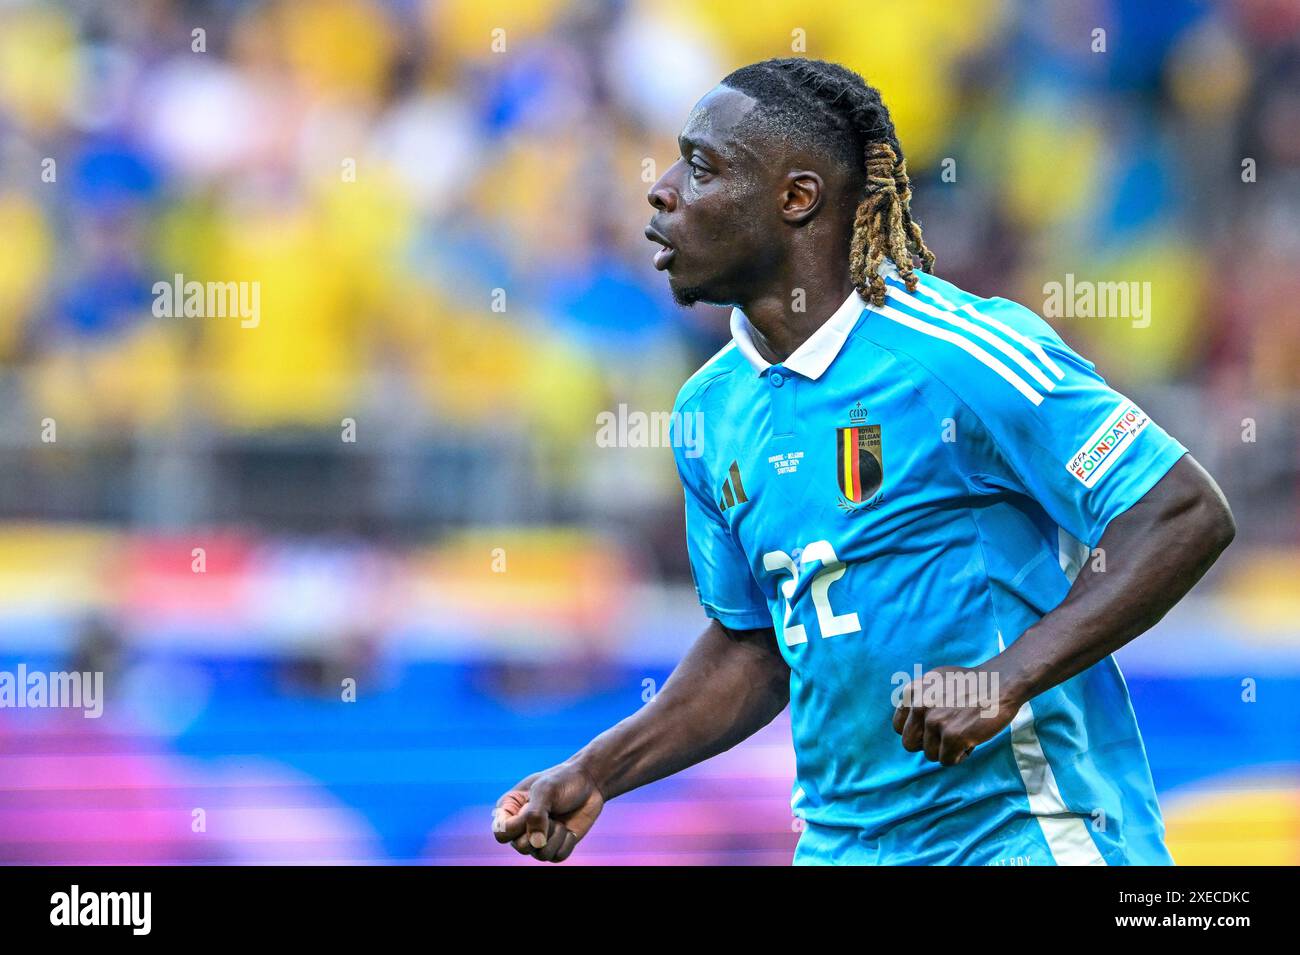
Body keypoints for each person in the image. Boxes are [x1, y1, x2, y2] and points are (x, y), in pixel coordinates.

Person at [492, 58, 1235, 865]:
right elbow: (754, 646)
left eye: (701, 166)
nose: (663, 189)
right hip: (842, 847)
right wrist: (598, 769)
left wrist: (1006, 677)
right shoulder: (709, 407)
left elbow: (1181, 510)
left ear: (796, 197)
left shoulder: (960, 353)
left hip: (1025, 834)